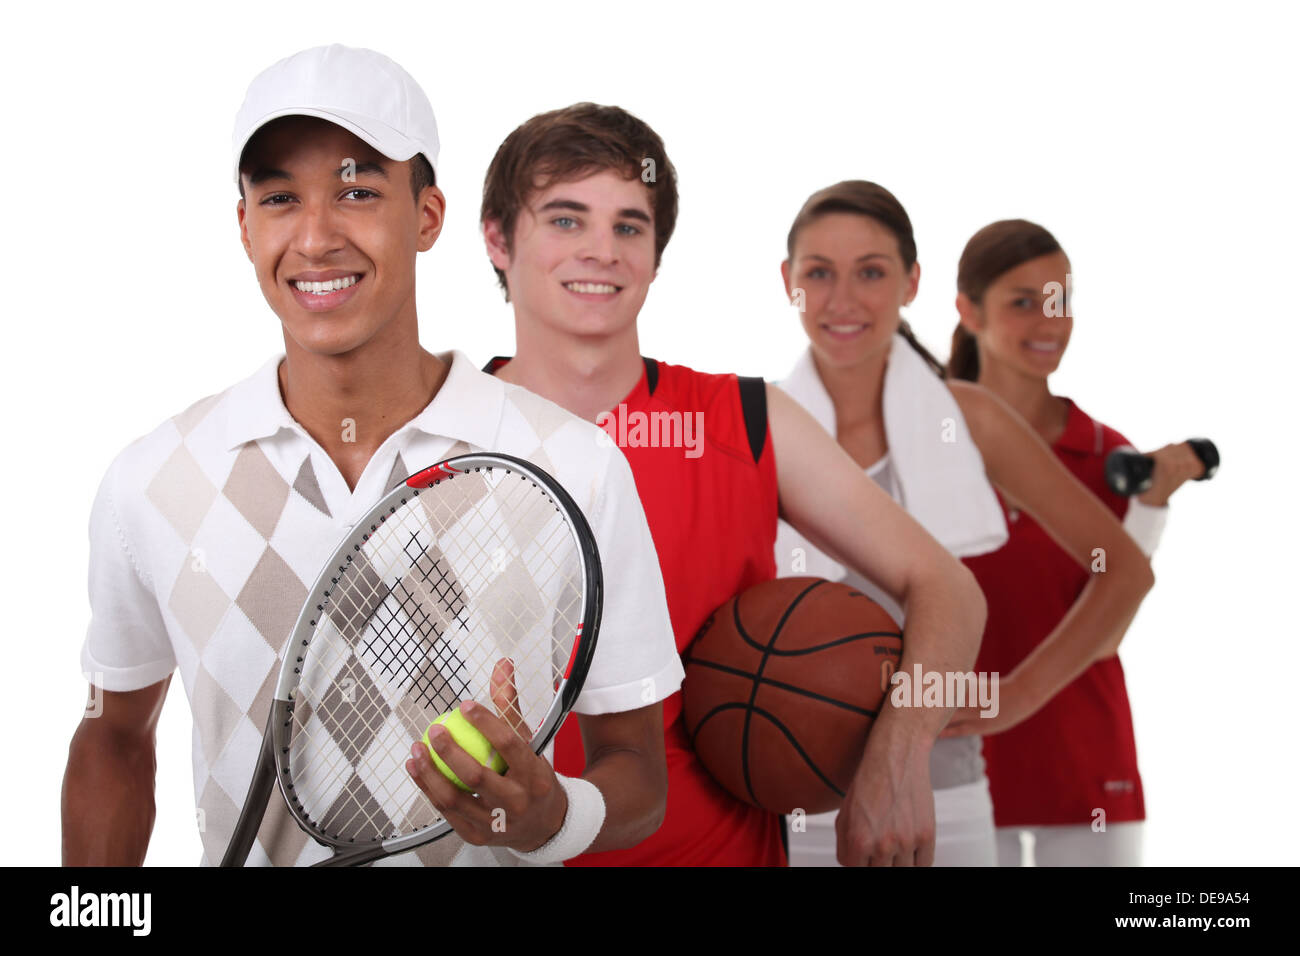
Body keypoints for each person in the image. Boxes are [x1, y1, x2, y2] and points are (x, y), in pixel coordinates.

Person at [62, 45, 684, 867]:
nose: (316, 237)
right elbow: (112, 736)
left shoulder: (573, 465)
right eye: (281, 197)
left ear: (426, 216)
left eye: (357, 191)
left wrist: (551, 816)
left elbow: (637, 769)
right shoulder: (153, 482)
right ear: (245, 226)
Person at [478, 105, 989, 866]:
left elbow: (947, 586)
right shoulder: (440, 434)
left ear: (655, 253)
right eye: (565, 220)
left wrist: (898, 755)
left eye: (629, 226)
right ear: (497, 238)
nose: (602, 251)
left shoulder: (745, 420)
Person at [773, 182, 1156, 866]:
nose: (842, 300)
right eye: (818, 273)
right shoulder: (760, 420)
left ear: (912, 282)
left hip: (944, 797)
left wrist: (1019, 695)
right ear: (788, 283)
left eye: (871, 272)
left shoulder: (968, 420)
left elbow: (1122, 570)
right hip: (793, 797)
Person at [947, 219, 1203, 866]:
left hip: (1083, 766)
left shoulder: (1105, 455)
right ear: (967, 310)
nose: (1049, 321)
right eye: (1023, 301)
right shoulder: (926, 446)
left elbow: (1109, 630)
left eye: (1060, 301)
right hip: (956, 765)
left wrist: (1150, 506)